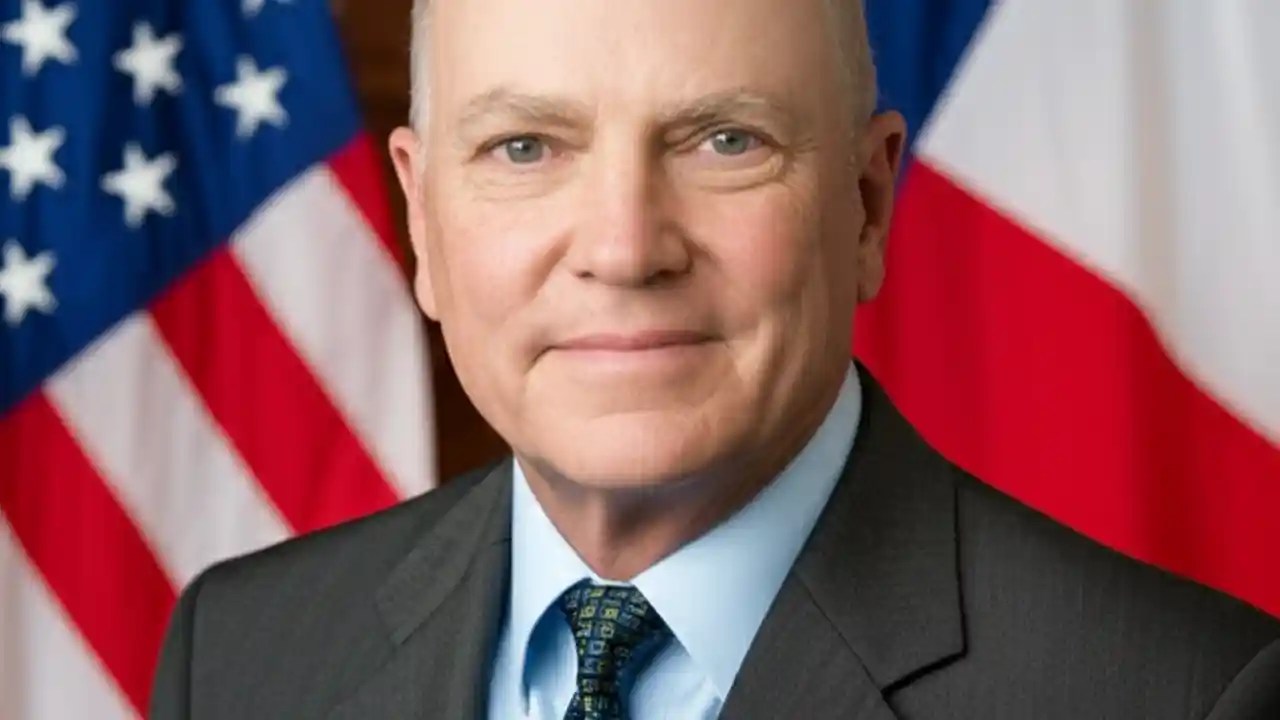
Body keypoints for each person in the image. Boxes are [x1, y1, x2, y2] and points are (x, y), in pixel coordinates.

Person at [148, 0, 1280, 717]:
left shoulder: (1176, 695)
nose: (624, 247)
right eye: (524, 147)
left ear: (864, 206)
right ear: (422, 220)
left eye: (724, 141)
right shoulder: (243, 655)